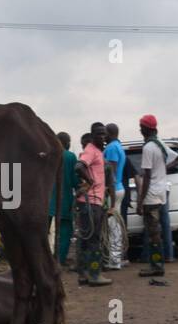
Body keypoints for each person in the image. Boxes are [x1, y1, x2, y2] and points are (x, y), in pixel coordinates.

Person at [136, 114, 175, 281]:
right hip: (161, 193)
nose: (140, 129)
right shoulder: (160, 145)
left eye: (141, 127)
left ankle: (157, 266)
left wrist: (140, 201)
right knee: (156, 231)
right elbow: (177, 159)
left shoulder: (148, 148)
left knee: (153, 232)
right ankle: (156, 264)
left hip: (151, 195)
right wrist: (164, 171)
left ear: (146, 129)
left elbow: (146, 176)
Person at [75, 122, 111, 286]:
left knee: (85, 238)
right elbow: (79, 166)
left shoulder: (97, 151)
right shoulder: (91, 150)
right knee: (94, 238)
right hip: (91, 202)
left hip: (90, 202)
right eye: (99, 134)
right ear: (92, 135)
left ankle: (83, 275)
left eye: (104, 134)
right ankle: (95, 275)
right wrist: (91, 180)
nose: (102, 137)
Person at [49, 131, 78, 267]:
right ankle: (59, 259)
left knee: (43, 232)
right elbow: (75, 181)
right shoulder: (70, 157)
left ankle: (44, 260)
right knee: (65, 231)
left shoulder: (48, 155)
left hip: (45, 202)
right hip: (64, 200)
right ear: (66, 143)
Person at [103, 123, 128, 270]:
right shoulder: (118, 146)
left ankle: (114, 260)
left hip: (113, 189)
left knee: (113, 226)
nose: (103, 136)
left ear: (110, 133)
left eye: (105, 133)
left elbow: (111, 171)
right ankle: (116, 258)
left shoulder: (112, 148)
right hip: (118, 188)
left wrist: (107, 190)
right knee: (115, 225)